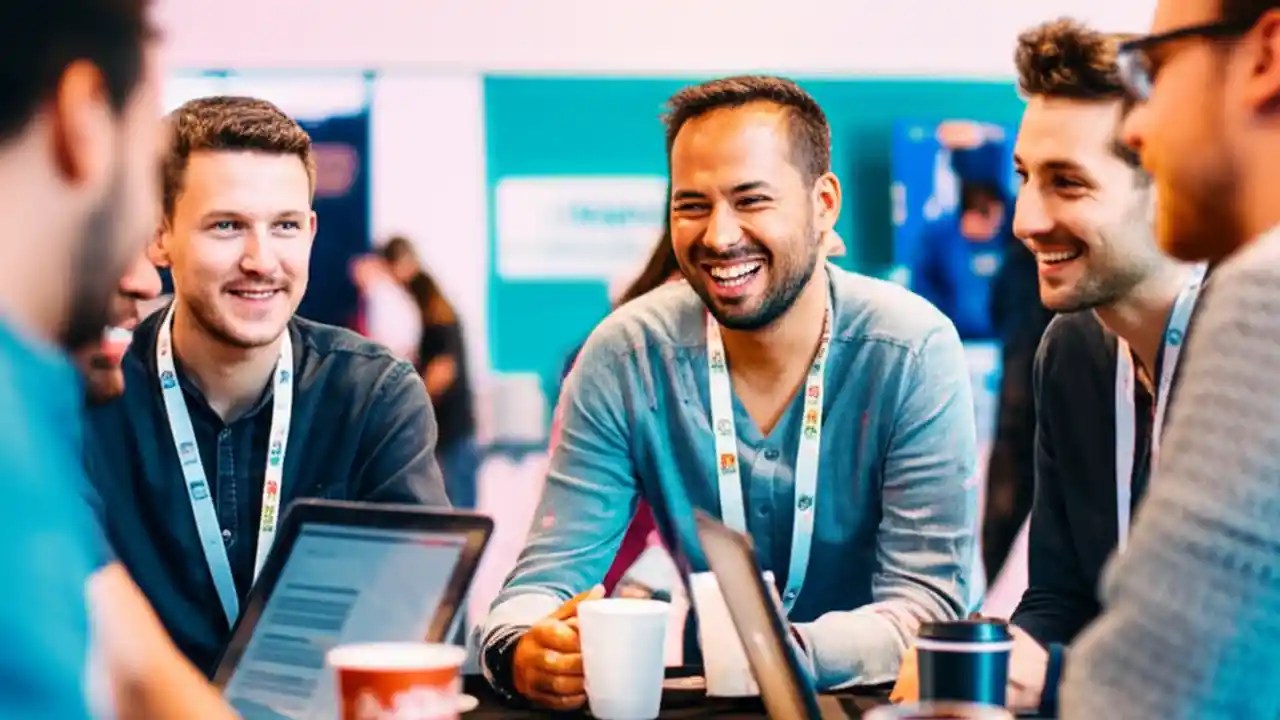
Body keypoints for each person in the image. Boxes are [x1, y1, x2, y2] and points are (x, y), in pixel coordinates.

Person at [480, 75, 979, 711]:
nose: (718, 236)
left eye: (751, 200)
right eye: (692, 205)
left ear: (824, 203)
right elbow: (546, 577)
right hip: (721, 694)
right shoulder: (626, 354)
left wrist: (786, 650)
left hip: (885, 701)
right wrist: (523, 648)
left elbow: (929, 606)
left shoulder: (910, 349)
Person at [893, 19, 1204, 714]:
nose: (1025, 220)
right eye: (1025, 177)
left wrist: (1055, 683)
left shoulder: (1249, 352)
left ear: (1167, 184)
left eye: (1067, 183)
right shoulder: (1071, 350)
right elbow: (1060, 598)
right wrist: (994, 671)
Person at [86, 96, 451, 676]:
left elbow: (415, 617)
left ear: (309, 232)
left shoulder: (372, 396)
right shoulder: (94, 395)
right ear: (160, 236)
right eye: (227, 226)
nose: (262, 260)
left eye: (283, 226)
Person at [0, 1, 237, 717]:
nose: (144, 272)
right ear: (85, 117)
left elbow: (133, 665)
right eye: (149, 166)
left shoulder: (32, 390)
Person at [1061, 1, 1280, 716]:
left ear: (1267, 55)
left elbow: (1146, 695)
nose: (1135, 125)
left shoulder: (1265, 296)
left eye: (1154, 71)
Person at [381, 236, 480, 510]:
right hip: (450, 429)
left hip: (451, 430)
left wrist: (408, 402)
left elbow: (443, 370)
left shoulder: (436, 311)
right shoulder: (433, 307)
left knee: (457, 517)